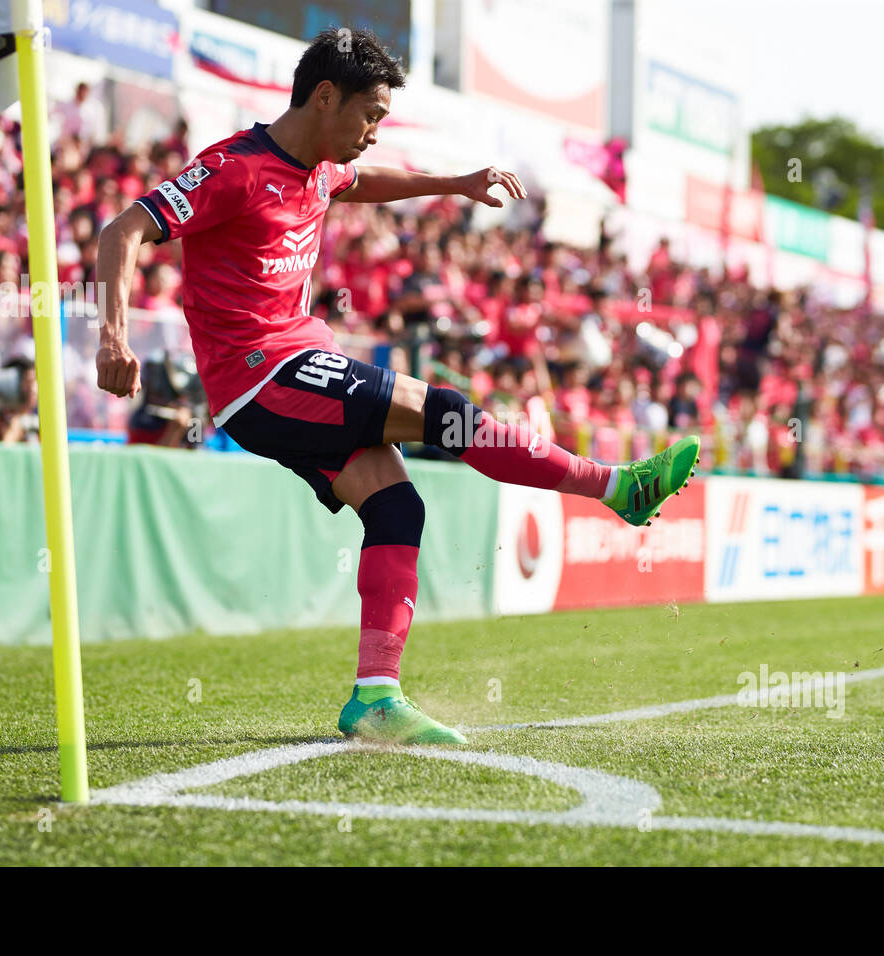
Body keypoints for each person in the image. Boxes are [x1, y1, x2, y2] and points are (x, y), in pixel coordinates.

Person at [95, 28, 700, 746]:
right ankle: (618, 488)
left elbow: (362, 185)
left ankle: (375, 698)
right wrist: (112, 334)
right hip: (259, 378)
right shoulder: (234, 168)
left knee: (397, 509)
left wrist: (454, 184)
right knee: (442, 411)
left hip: (294, 366)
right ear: (325, 97)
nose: (374, 133)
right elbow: (123, 229)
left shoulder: (319, 164)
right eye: (370, 115)